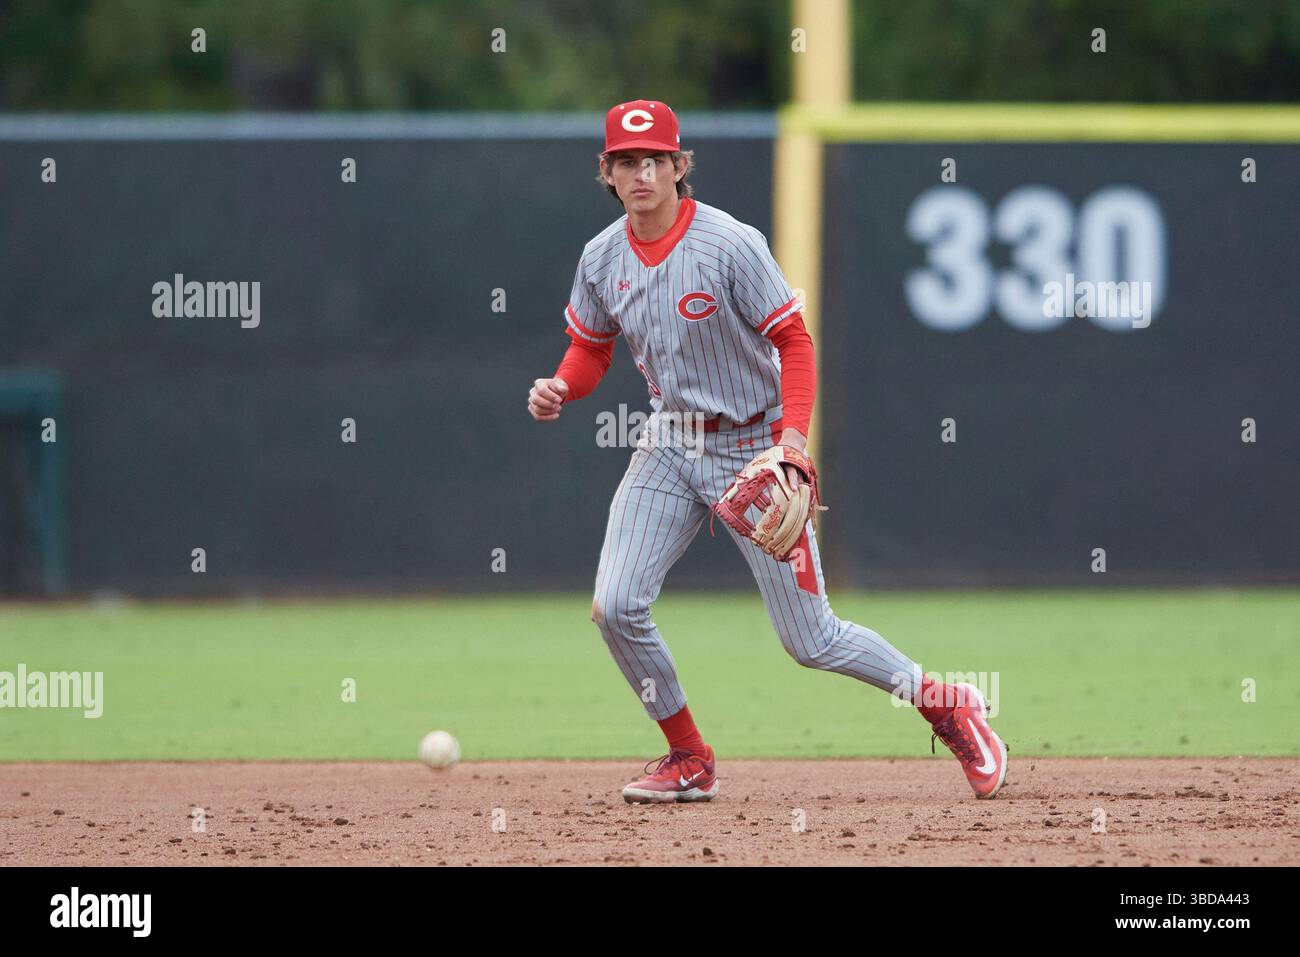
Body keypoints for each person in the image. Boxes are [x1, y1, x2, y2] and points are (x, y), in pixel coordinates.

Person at [527, 99, 1007, 803]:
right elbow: (591, 350)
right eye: (627, 161)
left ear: (679, 166)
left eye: (655, 159)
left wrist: (790, 445)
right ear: (607, 171)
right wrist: (563, 388)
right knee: (616, 604)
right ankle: (688, 756)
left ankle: (944, 701)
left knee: (811, 639)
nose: (641, 172)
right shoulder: (601, 257)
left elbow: (795, 342)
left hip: (754, 446)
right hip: (669, 440)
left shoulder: (729, 243)